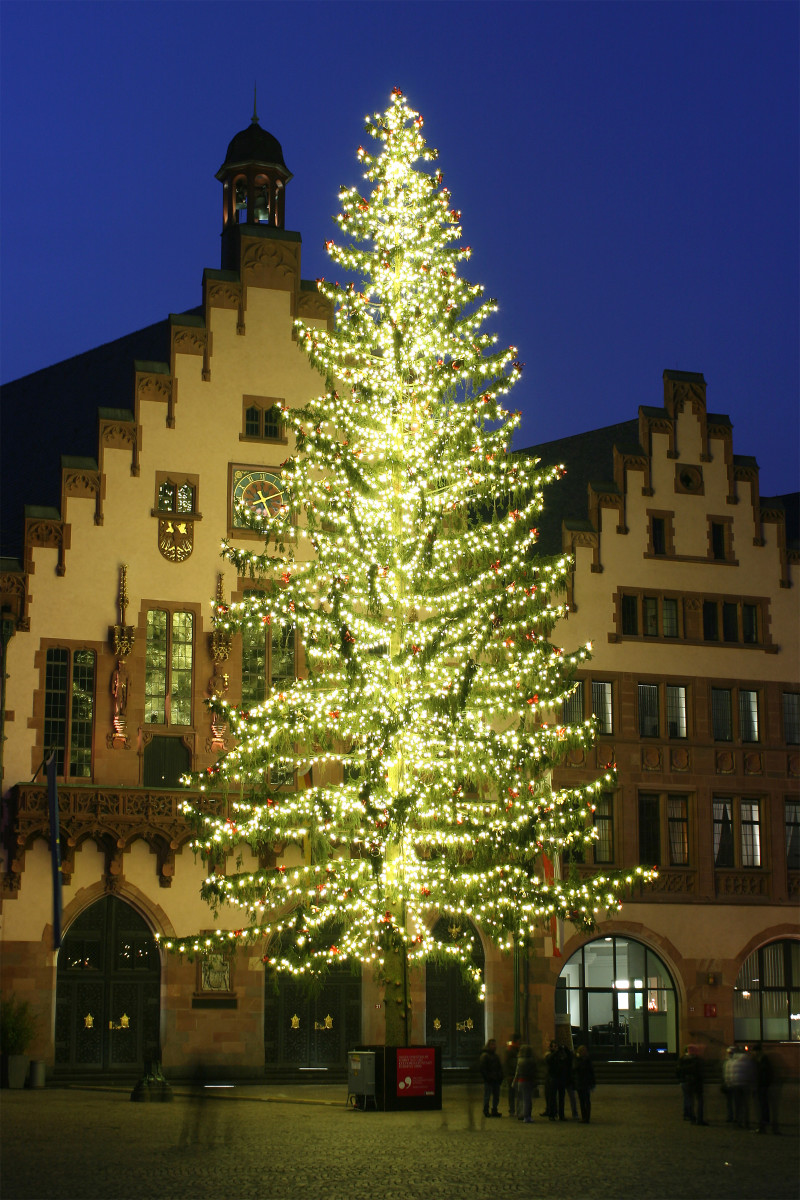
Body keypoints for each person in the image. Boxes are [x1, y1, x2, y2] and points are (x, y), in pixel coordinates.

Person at [676, 1044, 708, 1125]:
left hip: (685, 1082)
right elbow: (700, 1071)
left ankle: (691, 1117)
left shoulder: (682, 1060)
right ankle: (699, 1119)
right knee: (699, 1100)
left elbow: (678, 1071)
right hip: (696, 1082)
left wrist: (681, 1080)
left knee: (689, 1099)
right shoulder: (697, 1060)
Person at [513, 1043, 539, 1123]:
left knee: (520, 1099)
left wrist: (514, 1081)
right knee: (527, 1099)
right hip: (528, 1081)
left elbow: (517, 1072)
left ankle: (520, 1113)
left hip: (520, 1081)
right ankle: (526, 1116)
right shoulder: (531, 1060)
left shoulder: (519, 1060)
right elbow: (534, 1071)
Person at [479, 1038, 504, 1118]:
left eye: (495, 1044)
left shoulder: (495, 1056)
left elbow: (499, 1067)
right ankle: (486, 1110)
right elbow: (483, 1068)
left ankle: (494, 1110)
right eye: (492, 1045)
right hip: (489, 1079)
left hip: (496, 1079)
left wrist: (500, 1076)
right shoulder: (485, 1056)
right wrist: (487, 1077)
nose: (494, 1046)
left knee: (496, 1096)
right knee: (487, 1095)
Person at [574, 1045, 596, 1123]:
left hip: (585, 1082)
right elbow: (575, 1068)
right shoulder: (577, 1060)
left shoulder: (587, 1060)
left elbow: (591, 1071)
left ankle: (587, 1117)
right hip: (580, 1082)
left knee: (586, 1100)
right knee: (582, 1101)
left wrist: (592, 1082)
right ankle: (584, 1116)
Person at [505, 1032, 521, 1117]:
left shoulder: (510, 1049)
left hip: (512, 1074)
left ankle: (513, 1110)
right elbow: (510, 1063)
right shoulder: (513, 1050)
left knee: (513, 1093)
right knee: (514, 1093)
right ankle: (513, 1110)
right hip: (513, 1074)